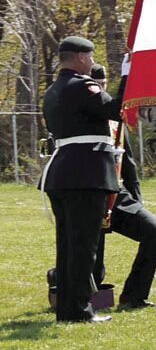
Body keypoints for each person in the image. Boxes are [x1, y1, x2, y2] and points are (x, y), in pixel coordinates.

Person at [40, 36, 123, 323]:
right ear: (81, 58)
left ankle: (67, 308)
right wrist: (126, 78)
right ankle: (79, 311)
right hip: (85, 174)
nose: (91, 61)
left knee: (67, 246)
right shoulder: (83, 86)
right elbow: (115, 110)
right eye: (90, 56)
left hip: (62, 173)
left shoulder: (52, 90)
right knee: (83, 247)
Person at [89, 64, 156, 310]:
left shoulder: (114, 122)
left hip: (116, 194)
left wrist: (136, 198)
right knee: (94, 259)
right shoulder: (81, 117)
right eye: (96, 85)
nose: (100, 90)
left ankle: (134, 295)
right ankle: (83, 295)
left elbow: (128, 165)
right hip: (89, 192)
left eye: (103, 86)